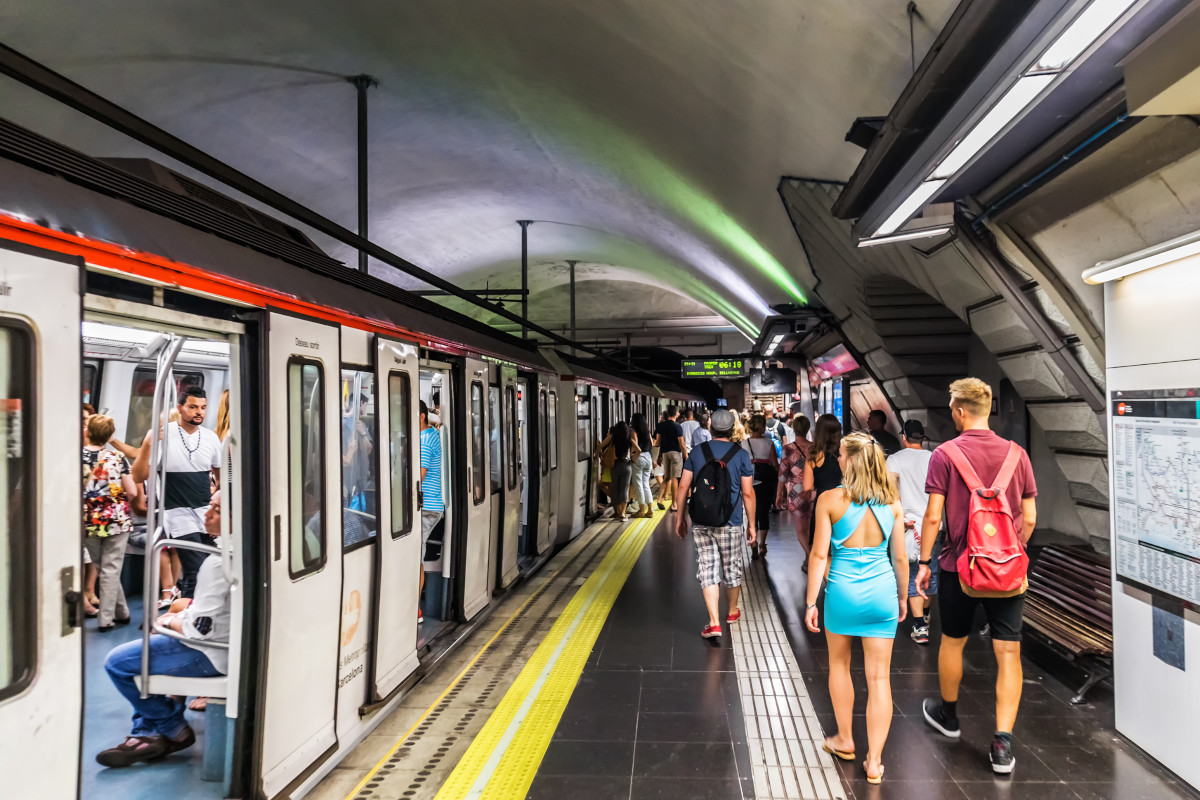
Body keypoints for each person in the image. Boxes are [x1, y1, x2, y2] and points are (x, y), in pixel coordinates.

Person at [917, 378, 1037, 775]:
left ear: (960, 412)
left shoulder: (946, 454)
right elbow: (1030, 516)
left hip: (958, 567)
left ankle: (948, 716)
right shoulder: (1018, 454)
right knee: (1008, 652)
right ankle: (1003, 743)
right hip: (1008, 571)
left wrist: (924, 562)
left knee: (953, 641)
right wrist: (1006, 551)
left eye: (952, 408)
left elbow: (934, 514)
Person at [96, 490, 230, 768]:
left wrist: (166, 622)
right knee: (149, 652)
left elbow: (199, 631)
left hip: (207, 652)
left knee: (118, 663)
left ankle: (171, 727)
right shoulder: (229, 554)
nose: (206, 514)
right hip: (219, 643)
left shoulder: (218, 565)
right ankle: (147, 733)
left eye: (215, 511)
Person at [805, 432, 907, 785]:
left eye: (842, 456)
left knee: (839, 664)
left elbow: (819, 555)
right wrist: (903, 597)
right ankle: (875, 762)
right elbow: (900, 556)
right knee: (879, 678)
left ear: (849, 460)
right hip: (882, 593)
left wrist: (810, 602)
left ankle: (845, 739)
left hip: (842, 592)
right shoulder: (891, 502)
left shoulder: (830, 500)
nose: (839, 461)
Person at [133, 387, 222, 600]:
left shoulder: (210, 437)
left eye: (203, 408)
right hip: (175, 511)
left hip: (204, 510)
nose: (199, 412)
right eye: (193, 407)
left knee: (209, 565)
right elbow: (138, 475)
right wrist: (147, 444)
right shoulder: (163, 435)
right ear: (181, 408)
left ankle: (187, 610)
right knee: (195, 567)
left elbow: (220, 476)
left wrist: (217, 499)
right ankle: (189, 616)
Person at [674, 409, 754, 638]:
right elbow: (748, 494)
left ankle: (713, 622)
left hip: (702, 520)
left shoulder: (697, 452)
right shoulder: (740, 455)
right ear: (732, 430)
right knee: (732, 566)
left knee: (707, 568)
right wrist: (751, 525)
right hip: (732, 521)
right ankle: (731, 612)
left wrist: (681, 517)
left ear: (710, 428)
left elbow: (683, 486)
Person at [82, 414, 138, 631]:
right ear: (109, 435)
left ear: (88, 432)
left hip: (88, 520)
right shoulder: (117, 458)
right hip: (117, 519)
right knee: (111, 569)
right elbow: (131, 491)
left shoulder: (76, 457)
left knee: (103, 567)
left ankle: (121, 612)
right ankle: (106, 619)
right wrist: (117, 500)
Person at [887, 419, 937, 645]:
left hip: (907, 525)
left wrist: (897, 519)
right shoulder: (934, 457)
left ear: (904, 436)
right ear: (923, 438)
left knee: (911, 572)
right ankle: (925, 616)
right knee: (929, 572)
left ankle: (919, 626)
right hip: (933, 525)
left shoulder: (895, 459)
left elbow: (890, 493)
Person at [419, 400, 444, 623]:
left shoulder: (425, 440)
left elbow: (420, 477)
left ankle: (415, 609)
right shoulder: (432, 435)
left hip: (426, 507)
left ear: (420, 417)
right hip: (432, 505)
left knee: (414, 558)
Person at [777, 415, 814, 561]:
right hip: (813, 490)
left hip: (796, 491)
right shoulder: (816, 448)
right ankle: (808, 558)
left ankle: (810, 556)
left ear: (794, 429)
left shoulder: (788, 449)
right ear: (808, 428)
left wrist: (779, 494)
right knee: (810, 526)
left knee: (800, 529)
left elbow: (782, 475)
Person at [803, 414, 844, 548]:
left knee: (822, 546)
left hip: (823, 501)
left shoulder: (814, 454)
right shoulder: (846, 453)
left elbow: (807, 487)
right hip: (845, 502)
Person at [741, 414, 778, 559]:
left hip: (748, 481)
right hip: (765, 481)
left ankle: (753, 541)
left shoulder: (744, 443)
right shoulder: (769, 443)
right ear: (762, 426)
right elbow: (774, 464)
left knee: (751, 513)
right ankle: (762, 544)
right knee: (763, 513)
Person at [598, 421, 638, 520]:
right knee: (625, 490)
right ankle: (623, 514)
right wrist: (633, 457)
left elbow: (600, 446)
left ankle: (618, 511)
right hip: (627, 465)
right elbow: (639, 450)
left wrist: (597, 453)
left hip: (615, 465)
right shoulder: (629, 439)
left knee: (616, 490)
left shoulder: (613, 437)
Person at [653, 405, 688, 511]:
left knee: (666, 477)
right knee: (674, 479)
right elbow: (681, 443)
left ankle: (660, 499)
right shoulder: (677, 426)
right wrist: (686, 456)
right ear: (676, 414)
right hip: (675, 453)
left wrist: (659, 456)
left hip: (665, 453)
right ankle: (674, 504)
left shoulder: (660, 426)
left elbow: (657, 442)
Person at [629, 413, 655, 518]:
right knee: (646, 484)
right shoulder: (647, 432)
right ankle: (650, 510)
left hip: (639, 457)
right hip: (648, 457)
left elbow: (635, 447)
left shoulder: (633, 431)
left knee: (638, 484)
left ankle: (641, 510)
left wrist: (633, 457)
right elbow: (652, 445)